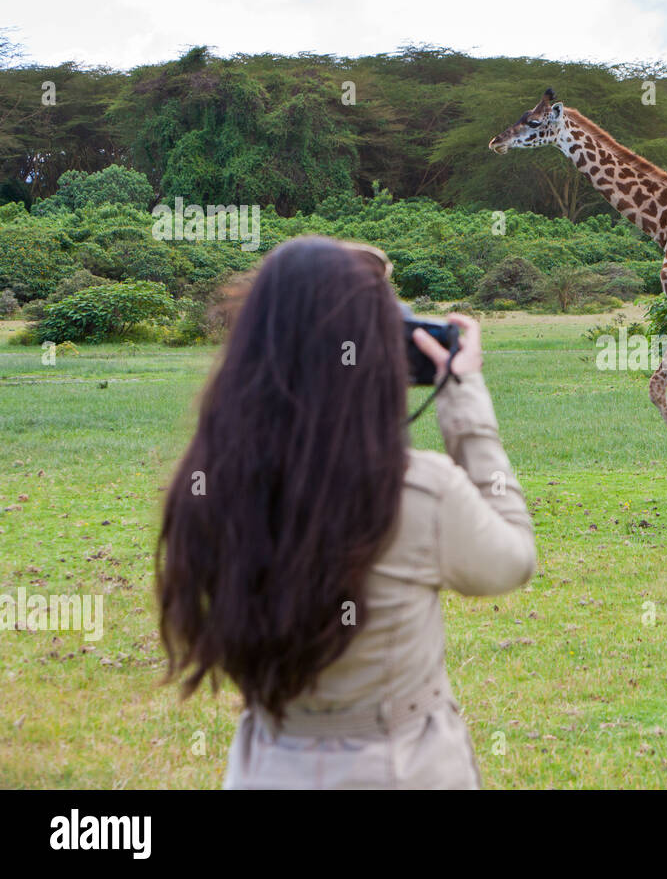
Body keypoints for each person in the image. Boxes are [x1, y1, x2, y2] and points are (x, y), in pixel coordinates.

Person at [155, 235, 535, 789]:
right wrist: (466, 403)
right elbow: (513, 560)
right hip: (400, 767)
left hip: (266, 763)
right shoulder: (417, 490)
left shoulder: (210, 482)